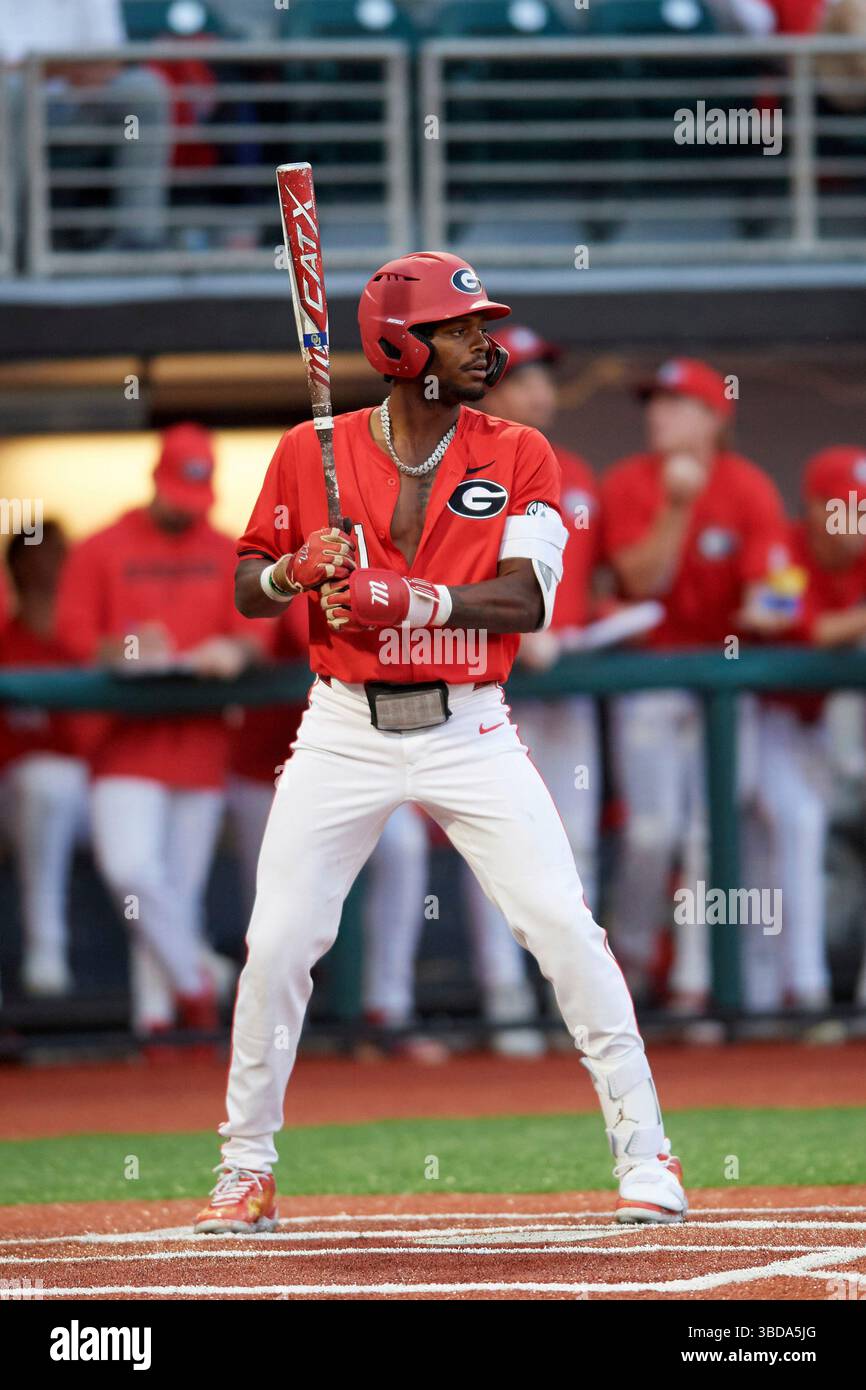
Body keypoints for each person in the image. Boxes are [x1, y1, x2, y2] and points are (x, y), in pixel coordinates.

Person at [193, 252, 687, 1233]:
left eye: (479, 325)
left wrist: (411, 598)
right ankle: (243, 1167)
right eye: (460, 329)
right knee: (279, 941)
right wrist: (298, 570)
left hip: (471, 724)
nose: (482, 344)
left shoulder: (518, 451)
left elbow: (528, 597)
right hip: (342, 725)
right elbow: (245, 583)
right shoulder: (309, 450)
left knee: (559, 922)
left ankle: (647, 1154)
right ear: (396, 347)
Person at [55, 424, 261, 1047]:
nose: (187, 509)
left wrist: (235, 649)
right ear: (156, 480)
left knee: (178, 891)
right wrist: (124, 646)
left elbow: (258, 632)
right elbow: (71, 635)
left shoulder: (229, 549)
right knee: (132, 872)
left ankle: (160, 1024)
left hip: (199, 743)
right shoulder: (102, 547)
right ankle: (198, 977)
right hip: (124, 744)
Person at [601, 358, 789, 1013]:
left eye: (678, 404)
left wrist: (769, 605)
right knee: (652, 831)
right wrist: (678, 505)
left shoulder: (748, 486)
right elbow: (639, 580)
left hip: (725, 685)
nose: (659, 414)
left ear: (715, 417)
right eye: (656, 402)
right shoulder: (629, 483)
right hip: (651, 678)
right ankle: (626, 960)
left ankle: (696, 981)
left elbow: (777, 587)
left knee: (712, 834)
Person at [743, 447, 866, 1017]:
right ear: (817, 509)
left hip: (815, 727)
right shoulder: (783, 547)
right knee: (777, 836)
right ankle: (794, 992)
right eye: (849, 510)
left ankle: (789, 994)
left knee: (792, 840)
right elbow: (781, 620)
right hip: (754, 719)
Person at [0, 523, 96, 995]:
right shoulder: (5, 638)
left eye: (63, 553)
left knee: (142, 805)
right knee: (46, 782)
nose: (57, 564)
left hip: (90, 792)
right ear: (17, 565)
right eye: (45, 553)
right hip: (15, 795)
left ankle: (186, 954)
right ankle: (46, 950)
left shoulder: (88, 639)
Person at [0, 0, 171, 259]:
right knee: (11, 97)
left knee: (140, 97)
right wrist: (66, 68)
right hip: (12, 119)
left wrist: (33, 68)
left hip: (82, 112)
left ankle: (137, 236)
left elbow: (108, 65)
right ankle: (11, 243)